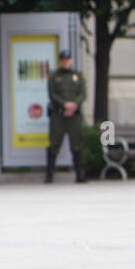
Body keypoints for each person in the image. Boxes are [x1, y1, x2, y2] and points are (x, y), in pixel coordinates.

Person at [46, 49, 87, 183]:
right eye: (63, 59)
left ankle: (80, 175)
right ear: (60, 61)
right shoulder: (54, 76)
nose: (66, 61)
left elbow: (83, 94)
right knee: (54, 144)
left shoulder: (78, 75)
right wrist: (65, 105)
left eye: (67, 59)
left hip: (74, 116)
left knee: (77, 144)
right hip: (59, 115)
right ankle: (49, 176)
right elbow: (52, 94)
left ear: (71, 60)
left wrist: (74, 105)